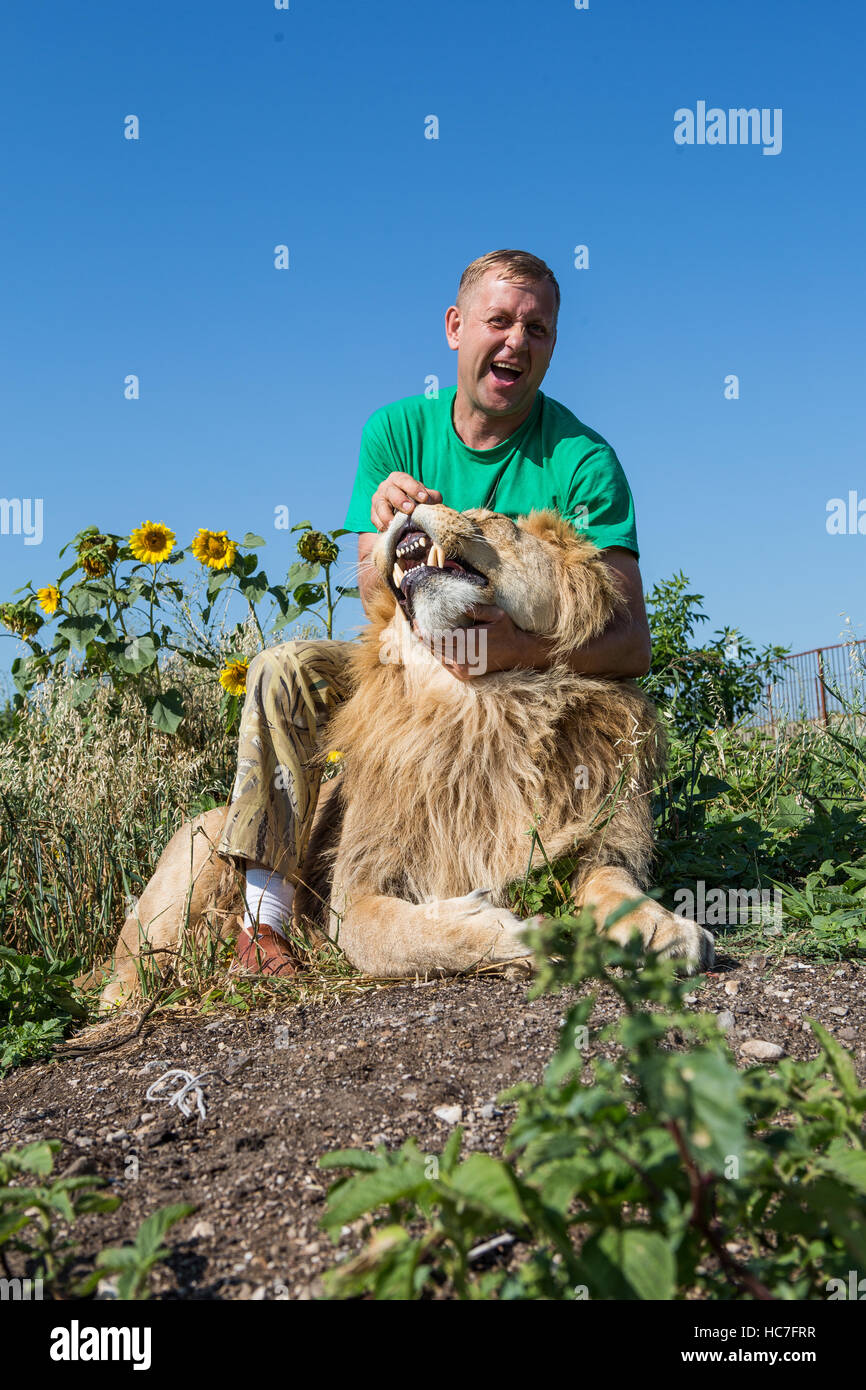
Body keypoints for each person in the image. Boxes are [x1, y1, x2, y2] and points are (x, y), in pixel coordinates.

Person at [219, 249, 652, 975]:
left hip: (528, 683)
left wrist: (517, 652)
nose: (517, 340)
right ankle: (263, 923)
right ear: (457, 328)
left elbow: (630, 640)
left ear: (552, 345)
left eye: (538, 328)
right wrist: (391, 537)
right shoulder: (394, 431)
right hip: (408, 668)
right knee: (281, 668)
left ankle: (574, 884)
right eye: (500, 321)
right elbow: (371, 602)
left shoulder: (583, 461)